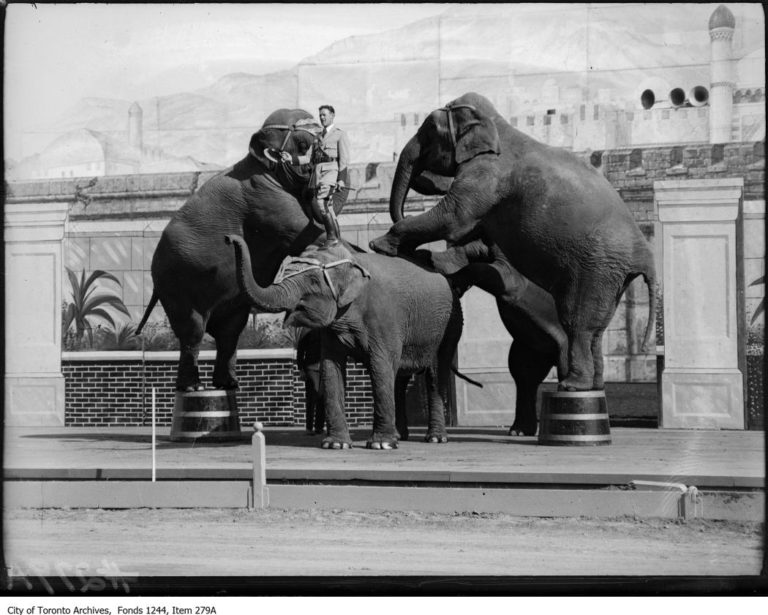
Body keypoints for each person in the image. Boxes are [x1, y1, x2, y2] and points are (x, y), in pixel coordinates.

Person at [286, 105, 350, 246]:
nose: (322, 117)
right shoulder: (318, 137)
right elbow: (308, 158)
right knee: (329, 207)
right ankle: (337, 240)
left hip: (331, 172)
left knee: (322, 202)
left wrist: (341, 180)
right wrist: (291, 159)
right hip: (318, 175)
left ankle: (331, 238)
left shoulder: (340, 134)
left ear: (332, 115)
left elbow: (344, 159)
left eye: (324, 115)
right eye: (320, 115)